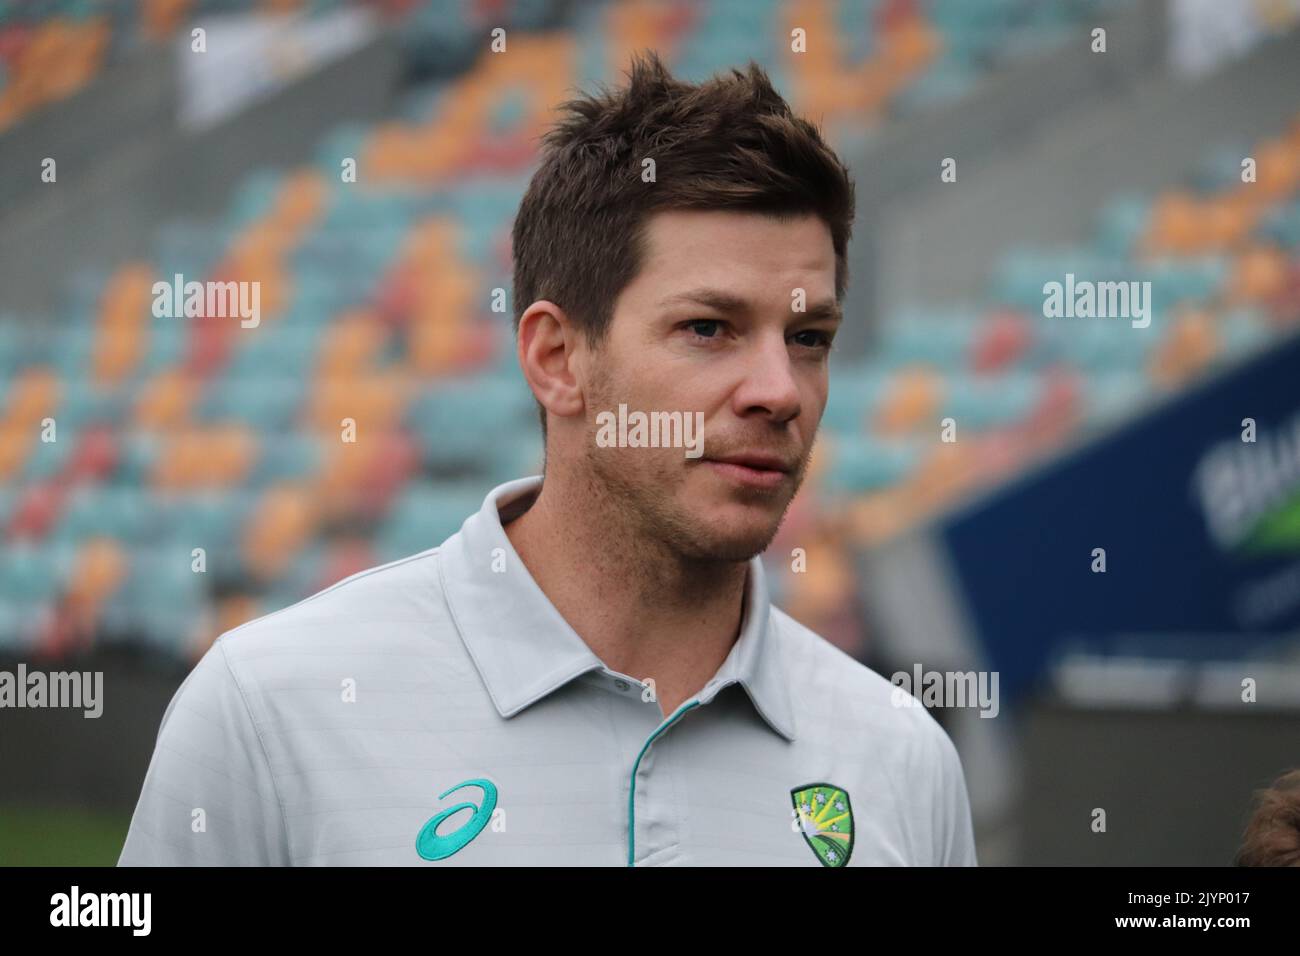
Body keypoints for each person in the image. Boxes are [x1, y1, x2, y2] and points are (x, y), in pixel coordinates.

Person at [118, 49, 977, 867]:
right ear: (557, 360)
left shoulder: (902, 758)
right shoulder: (272, 710)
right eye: (708, 328)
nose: (779, 389)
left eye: (809, 337)